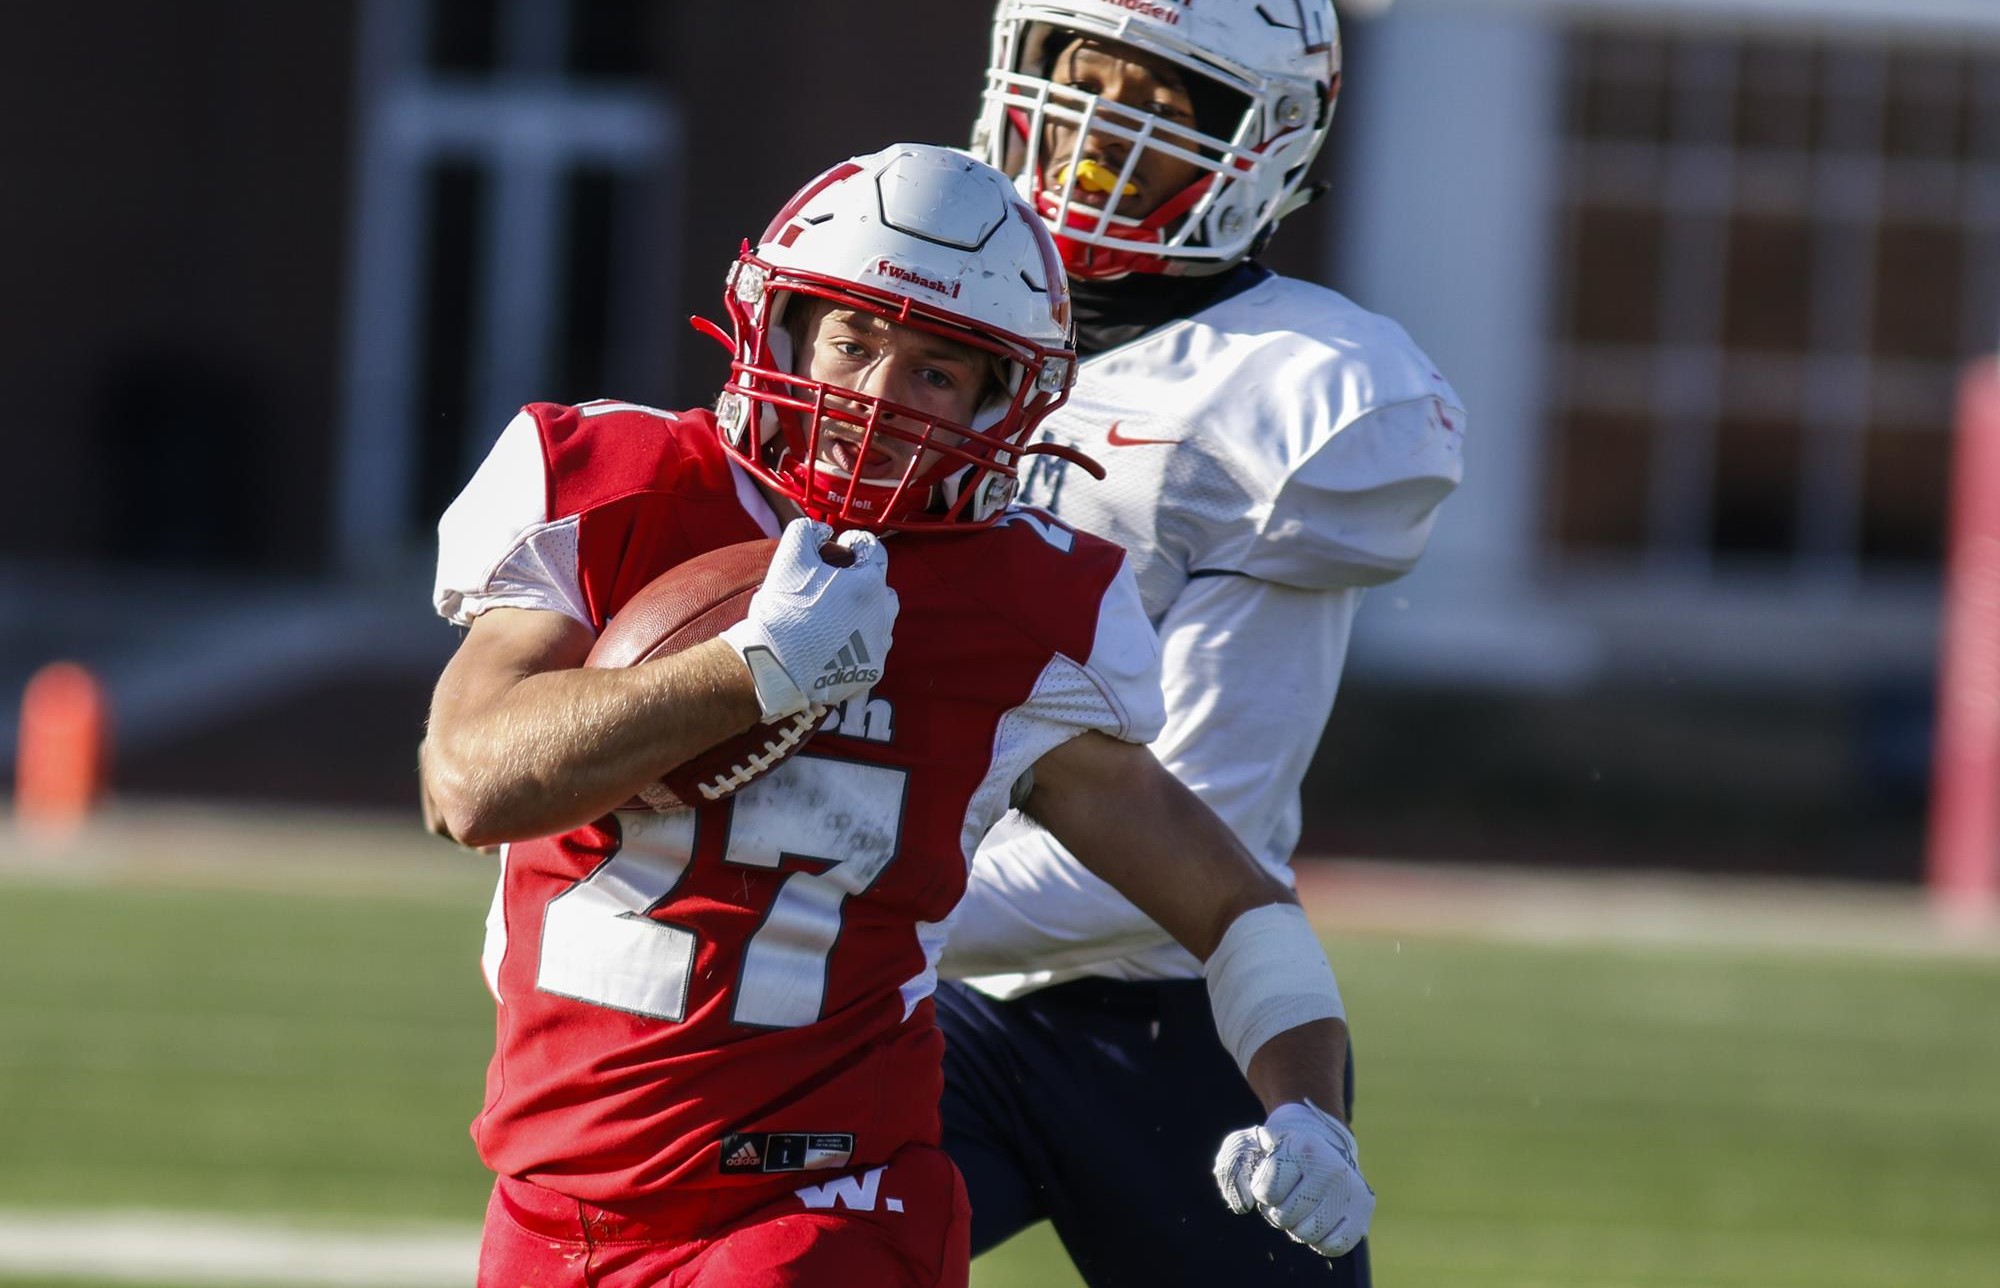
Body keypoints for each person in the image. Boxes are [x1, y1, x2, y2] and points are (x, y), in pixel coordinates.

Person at [421, 142, 1373, 1288]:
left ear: (997, 399)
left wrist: (1309, 1112)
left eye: (932, 370)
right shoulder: (619, 485)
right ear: (779, 331)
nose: (876, 399)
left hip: (822, 1198)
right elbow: (466, 783)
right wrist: (749, 671)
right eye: (854, 342)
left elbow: (1229, 900)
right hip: (549, 1196)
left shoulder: (1018, 602)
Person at [933, 4, 1468, 1285]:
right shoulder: (928, 315)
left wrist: (841, 897)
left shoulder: (1292, 391)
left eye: (1157, 103)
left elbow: (1177, 849)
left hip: (1176, 1017)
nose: (1092, 130)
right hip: (929, 998)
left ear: (1263, 140)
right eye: (1080, 75)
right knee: (726, 1249)